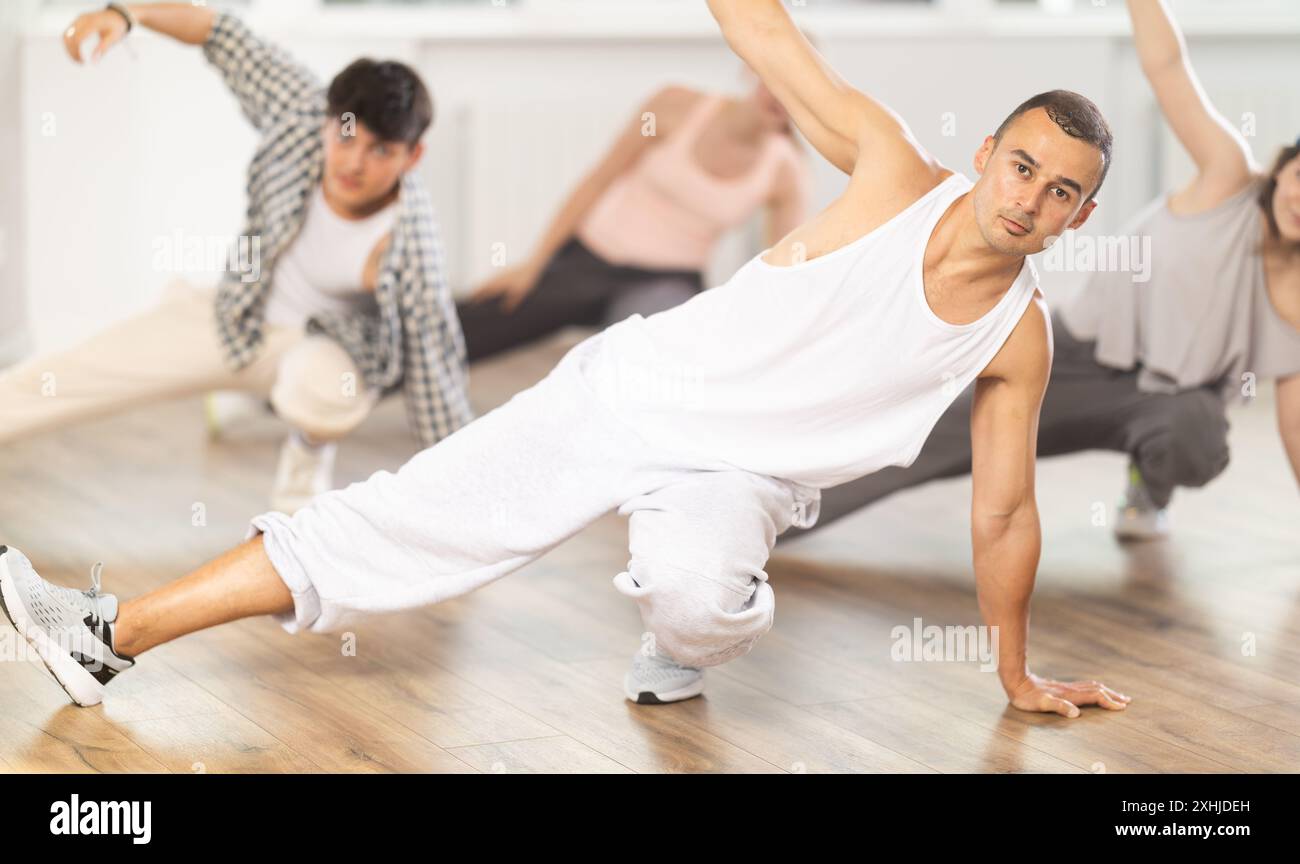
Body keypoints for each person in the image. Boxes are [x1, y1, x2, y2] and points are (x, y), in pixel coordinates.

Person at [1, 0, 1130, 721]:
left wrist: (1013, 674)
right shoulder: (892, 170)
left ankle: (682, 636)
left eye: (1060, 190)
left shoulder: (1012, 338)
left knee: (697, 609)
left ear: (1078, 216)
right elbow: (764, 33)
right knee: (392, 522)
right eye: (1020, 165)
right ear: (986, 155)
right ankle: (107, 637)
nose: (1028, 198)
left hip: (744, 485)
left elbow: (1002, 516)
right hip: (627, 397)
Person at [783, 0, 1300, 545]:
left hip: (1166, 401)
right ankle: (769, 524)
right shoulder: (1228, 177)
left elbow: (1294, 420)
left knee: (1197, 434)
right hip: (1075, 358)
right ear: (1284, 164)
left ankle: (1149, 488)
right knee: (924, 438)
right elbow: (1168, 67)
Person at [0, 2, 472, 513]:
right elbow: (220, 32)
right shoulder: (300, 109)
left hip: (316, 353)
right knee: (67, 374)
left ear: (412, 156)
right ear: (330, 121)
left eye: (381, 151)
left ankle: (301, 474)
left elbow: (435, 378)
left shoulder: (410, 245)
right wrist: (125, 13)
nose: (355, 162)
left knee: (324, 387)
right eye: (347, 136)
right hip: (236, 319)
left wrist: (471, 495)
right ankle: (240, 394)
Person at [457, 80, 809, 362]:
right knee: (482, 321)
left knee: (643, 355)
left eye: (799, 91)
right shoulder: (674, 105)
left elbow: (783, 266)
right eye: (780, 80)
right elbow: (598, 180)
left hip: (667, 280)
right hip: (591, 255)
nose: (782, 98)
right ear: (754, 67)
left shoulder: (785, 168)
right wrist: (534, 264)